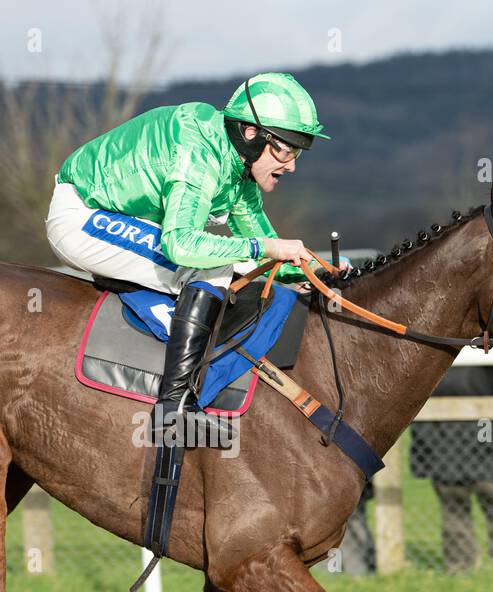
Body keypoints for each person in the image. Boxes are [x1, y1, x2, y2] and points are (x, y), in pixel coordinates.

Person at [46, 71, 328, 445]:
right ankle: (174, 411)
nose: (292, 165)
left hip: (121, 218)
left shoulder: (237, 167)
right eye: (286, 150)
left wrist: (317, 272)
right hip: (81, 217)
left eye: (298, 152)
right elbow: (182, 245)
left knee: (234, 260)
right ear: (250, 134)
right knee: (210, 266)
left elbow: (263, 241)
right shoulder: (199, 153)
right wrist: (264, 250)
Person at [409, 365, 493, 573]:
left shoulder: (492, 341)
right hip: (439, 429)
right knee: (452, 500)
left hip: (485, 425)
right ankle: (459, 566)